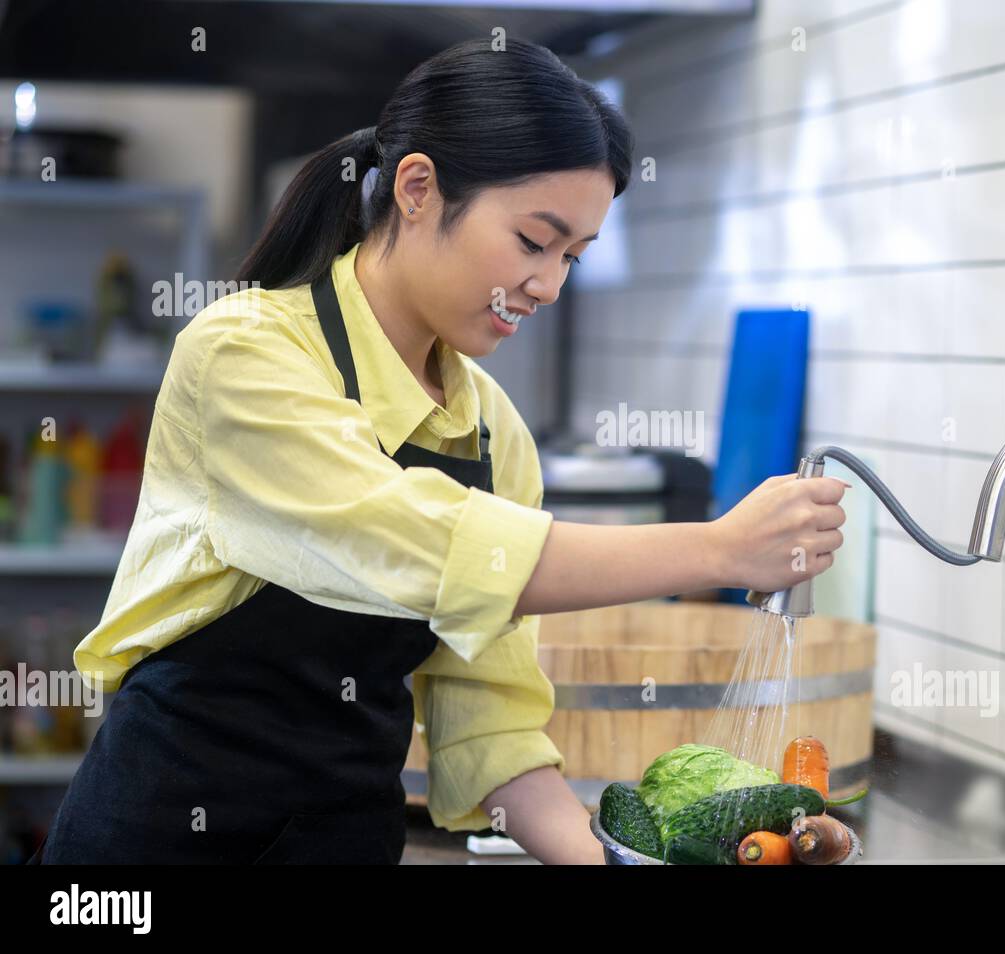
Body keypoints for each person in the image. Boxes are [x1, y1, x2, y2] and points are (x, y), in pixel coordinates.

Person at [31, 37, 847, 865]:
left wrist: (604, 864)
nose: (550, 285)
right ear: (418, 188)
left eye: (572, 256)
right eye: (534, 241)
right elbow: (404, 540)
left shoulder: (494, 435)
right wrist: (717, 548)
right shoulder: (244, 353)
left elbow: (488, 718)